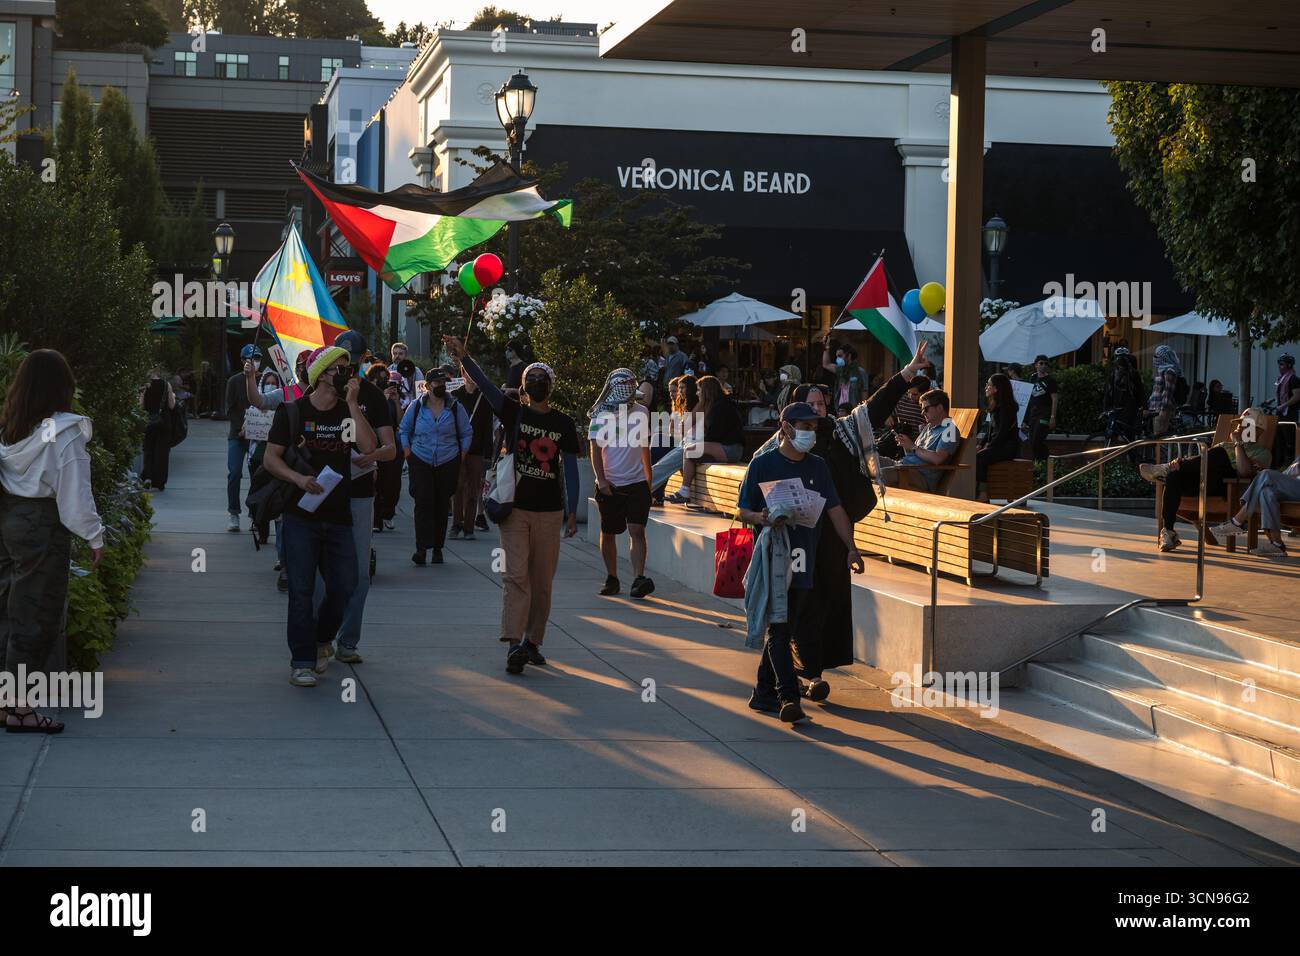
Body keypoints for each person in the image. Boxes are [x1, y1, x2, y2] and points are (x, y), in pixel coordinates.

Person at [444, 335, 580, 675]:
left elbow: (572, 468)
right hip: (515, 509)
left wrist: (572, 511)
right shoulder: (513, 413)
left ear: (550, 387)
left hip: (550, 513)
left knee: (542, 580)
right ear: (524, 387)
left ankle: (533, 641)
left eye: (542, 381)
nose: (537, 385)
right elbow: (488, 387)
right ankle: (514, 643)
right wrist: (465, 357)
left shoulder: (562, 423)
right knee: (516, 575)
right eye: (532, 381)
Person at [737, 401, 864, 724]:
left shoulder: (818, 467)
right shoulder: (762, 465)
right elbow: (742, 509)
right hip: (773, 558)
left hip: (805, 558)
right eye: (805, 427)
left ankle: (763, 692)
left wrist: (851, 547)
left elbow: (835, 510)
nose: (811, 433)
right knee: (779, 627)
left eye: (814, 428)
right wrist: (761, 517)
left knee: (787, 625)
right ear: (786, 427)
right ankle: (788, 697)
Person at [0, 350, 105, 733]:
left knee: (9, 613)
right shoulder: (63, 434)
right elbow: (74, 495)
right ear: (63, 387)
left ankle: (5, 700)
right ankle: (21, 709)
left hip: (8, 521)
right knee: (37, 616)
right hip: (42, 526)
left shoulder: (12, 429)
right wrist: (95, 536)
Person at [262, 346, 377, 686]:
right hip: (300, 516)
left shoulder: (346, 412)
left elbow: (369, 448)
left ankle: (322, 638)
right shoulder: (293, 412)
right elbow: (271, 458)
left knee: (346, 584)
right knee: (301, 588)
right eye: (342, 368)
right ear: (324, 374)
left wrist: (354, 404)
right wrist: (298, 479)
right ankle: (301, 661)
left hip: (339, 516)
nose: (349, 373)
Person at [328, 330, 397, 661]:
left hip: (359, 491)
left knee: (357, 571)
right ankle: (320, 636)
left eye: (352, 364)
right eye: (340, 364)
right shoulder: (322, 391)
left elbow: (390, 449)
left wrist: (371, 457)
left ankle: (348, 641)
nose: (346, 372)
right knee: (321, 569)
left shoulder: (373, 396)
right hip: (324, 492)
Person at [1140, 412, 1272, 552]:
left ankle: (1164, 469)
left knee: (1220, 453)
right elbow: (1202, 461)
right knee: (1175, 476)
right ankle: (1168, 532)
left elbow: (1245, 472)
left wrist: (1238, 443)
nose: (1240, 427)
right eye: (1239, 423)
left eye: (1246, 424)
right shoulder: (1224, 444)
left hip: (1229, 487)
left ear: (1258, 430)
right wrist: (1182, 463)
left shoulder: (1262, 453)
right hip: (1206, 482)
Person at [589, 368, 655, 598]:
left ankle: (638, 577)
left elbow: (644, 445)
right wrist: (601, 479)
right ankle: (612, 577)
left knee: (637, 529)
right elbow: (595, 451)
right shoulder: (600, 415)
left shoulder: (642, 412)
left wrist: (649, 476)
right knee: (609, 531)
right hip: (611, 483)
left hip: (637, 481)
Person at [401, 364, 471, 565]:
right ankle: (421, 548)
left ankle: (438, 548)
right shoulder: (416, 406)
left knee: (441, 504)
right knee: (423, 503)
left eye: (444, 382)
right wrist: (408, 453)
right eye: (437, 382)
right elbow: (404, 430)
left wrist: (462, 454)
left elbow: (466, 433)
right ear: (427, 386)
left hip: (448, 460)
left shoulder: (455, 407)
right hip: (420, 459)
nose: (441, 386)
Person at [664, 375, 744, 505]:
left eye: (699, 390)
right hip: (722, 447)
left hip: (731, 449)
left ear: (707, 391)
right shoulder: (714, 404)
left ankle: (684, 491)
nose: (697, 393)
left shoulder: (721, 406)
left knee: (690, 451)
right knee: (690, 450)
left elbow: (715, 434)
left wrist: (700, 442)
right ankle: (685, 490)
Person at [1210, 450, 1300, 559]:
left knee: (1266, 474)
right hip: (1293, 489)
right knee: (1266, 492)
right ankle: (1277, 544)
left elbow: (1294, 471)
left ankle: (1237, 521)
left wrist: (1275, 475)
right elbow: (1287, 474)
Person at [451, 363, 493, 541]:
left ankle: (469, 528)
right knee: (457, 488)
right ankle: (456, 525)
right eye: (467, 371)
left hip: (476, 450)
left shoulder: (485, 397)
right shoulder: (454, 396)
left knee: (473, 490)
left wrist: (488, 455)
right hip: (457, 449)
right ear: (462, 373)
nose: (471, 376)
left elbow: (487, 427)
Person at [225, 343, 262, 531]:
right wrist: (241, 428)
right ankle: (233, 513)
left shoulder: (262, 381)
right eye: (251, 358)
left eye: (258, 359)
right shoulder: (234, 381)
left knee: (257, 476)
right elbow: (230, 409)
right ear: (242, 360)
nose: (255, 362)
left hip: (257, 436)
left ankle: (255, 514)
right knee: (234, 473)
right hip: (237, 436)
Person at [895, 388, 960, 492]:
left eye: (926, 409)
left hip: (919, 476)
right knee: (871, 464)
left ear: (939, 408)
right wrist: (906, 445)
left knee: (879, 473)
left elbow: (938, 459)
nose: (922, 413)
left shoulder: (950, 430)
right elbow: (914, 453)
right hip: (905, 468)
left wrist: (913, 446)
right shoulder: (929, 427)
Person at [976, 372, 1021, 501]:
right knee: (977, 455)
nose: (986, 387)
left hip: (1007, 447)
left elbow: (1003, 432)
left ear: (996, 389)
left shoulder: (1006, 408)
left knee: (980, 458)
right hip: (998, 445)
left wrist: (988, 447)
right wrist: (980, 444)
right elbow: (991, 430)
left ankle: (983, 494)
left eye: (988, 385)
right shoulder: (995, 406)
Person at [374, 370, 406, 533]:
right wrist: (382, 400)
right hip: (376, 445)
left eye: (394, 384)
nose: (391, 387)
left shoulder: (397, 400)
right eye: (388, 383)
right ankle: (377, 519)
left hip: (393, 445)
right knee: (377, 483)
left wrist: (395, 402)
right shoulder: (376, 398)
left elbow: (401, 422)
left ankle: (388, 513)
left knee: (393, 483)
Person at [141, 368, 176, 492]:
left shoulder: (146, 386)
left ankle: (147, 477)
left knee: (148, 449)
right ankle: (159, 481)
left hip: (149, 420)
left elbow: (141, 405)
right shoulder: (167, 385)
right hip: (164, 421)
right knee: (162, 452)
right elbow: (172, 405)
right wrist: (173, 397)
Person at [822, 334, 870, 413]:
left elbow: (864, 392)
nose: (838, 359)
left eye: (840, 356)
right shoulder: (840, 370)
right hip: (840, 410)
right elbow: (826, 364)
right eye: (837, 356)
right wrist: (826, 347)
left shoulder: (860, 372)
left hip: (854, 410)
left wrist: (862, 411)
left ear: (849, 356)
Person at [1024, 354, 1059, 461]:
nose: (1043, 365)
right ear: (1036, 365)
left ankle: (1047, 461)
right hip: (1033, 414)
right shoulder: (1032, 378)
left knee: (1037, 439)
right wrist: (1024, 419)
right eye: (1041, 363)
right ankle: (1038, 464)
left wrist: (1053, 416)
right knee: (1031, 441)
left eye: (1046, 364)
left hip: (1044, 414)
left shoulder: (1051, 381)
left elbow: (1055, 399)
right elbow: (1028, 398)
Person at [1145, 345, 1183, 437]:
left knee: (1159, 436)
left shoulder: (1169, 371)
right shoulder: (1162, 370)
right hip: (1155, 409)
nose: (1155, 358)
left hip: (1161, 410)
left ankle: (1164, 451)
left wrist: (1163, 410)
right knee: (1156, 436)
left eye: (1157, 356)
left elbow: (1168, 392)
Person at [1275, 354, 1298, 464]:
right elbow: (1282, 396)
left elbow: (1297, 396)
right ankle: (1281, 465)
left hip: (1289, 413)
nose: (1280, 367)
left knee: (1289, 441)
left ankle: (1290, 465)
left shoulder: (1293, 379)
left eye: (1282, 364)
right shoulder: (1282, 379)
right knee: (1280, 440)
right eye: (1279, 364)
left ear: (1289, 365)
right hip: (1281, 413)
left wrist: (1283, 406)